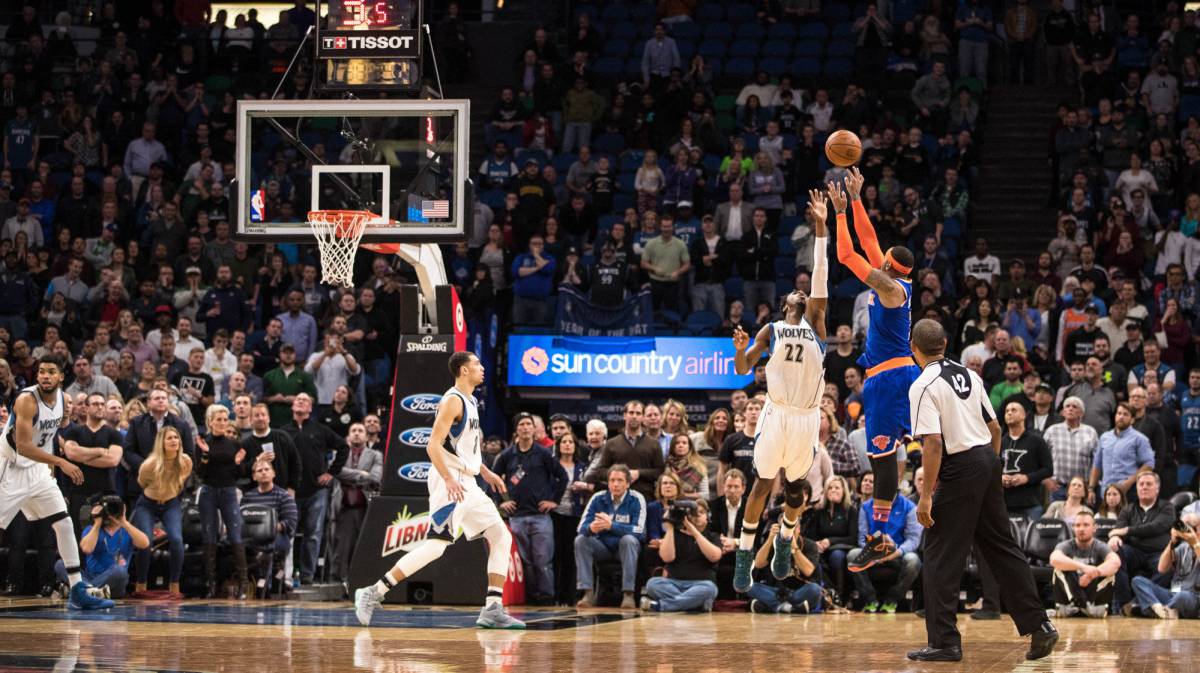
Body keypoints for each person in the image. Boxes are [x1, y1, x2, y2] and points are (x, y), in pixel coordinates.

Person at [905, 319, 1057, 662]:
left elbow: (932, 444)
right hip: (987, 460)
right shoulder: (969, 375)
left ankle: (944, 641)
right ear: (945, 344)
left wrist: (926, 494)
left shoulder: (923, 384)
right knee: (1002, 547)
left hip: (959, 467)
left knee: (940, 553)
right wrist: (991, 464)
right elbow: (995, 427)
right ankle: (1039, 625)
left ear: (913, 348)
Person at [355, 352, 523, 629]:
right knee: (436, 546)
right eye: (477, 364)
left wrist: (485, 471)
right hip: (452, 482)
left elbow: (462, 447)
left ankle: (493, 607)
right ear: (463, 370)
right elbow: (432, 445)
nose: (482, 368)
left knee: (500, 536)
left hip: (469, 481)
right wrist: (448, 479)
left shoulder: (471, 400)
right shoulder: (452, 400)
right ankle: (374, 591)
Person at [729, 187, 830, 593]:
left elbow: (821, 275)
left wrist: (822, 228)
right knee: (762, 483)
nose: (801, 290)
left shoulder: (817, 324)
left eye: (805, 290)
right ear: (785, 300)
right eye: (796, 289)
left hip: (806, 416)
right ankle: (744, 555)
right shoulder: (770, 329)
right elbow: (742, 369)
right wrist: (739, 351)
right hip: (776, 409)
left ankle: (786, 542)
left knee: (795, 489)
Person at [831, 169, 920, 572]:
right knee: (888, 456)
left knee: (882, 461)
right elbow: (868, 241)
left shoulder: (889, 288)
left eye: (882, 260)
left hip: (889, 377)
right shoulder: (898, 283)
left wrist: (838, 214)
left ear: (889, 267)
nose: (877, 257)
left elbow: (848, 255)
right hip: (895, 374)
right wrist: (856, 200)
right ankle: (880, 536)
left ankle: (879, 538)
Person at [0, 355, 112, 610]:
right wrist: (60, 462)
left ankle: (77, 590)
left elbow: (50, 435)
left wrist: (49, 466)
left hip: (38, 470)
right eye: (41, 372)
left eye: (51, 372)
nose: (45, 376)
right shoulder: (27, 401)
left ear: (61, 376)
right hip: (11, 467)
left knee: (63, 522)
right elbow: (24, 445)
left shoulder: (62, 400)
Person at [492, 412, 567, 606]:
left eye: (528, 424)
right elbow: (492, 480)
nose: (525, 427)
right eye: (522, 424)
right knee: (525, 563)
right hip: (516, 517)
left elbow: (563, 476)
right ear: (516, 430)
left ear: (534, 429)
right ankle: (530, 597)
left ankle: (547, 598)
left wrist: (554, 501)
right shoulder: (507, 455)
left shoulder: (543, 454)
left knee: (543, 561)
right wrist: (500, 502)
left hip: (540, 517)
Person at [130, 426, 193, 598]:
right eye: (170, 438)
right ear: (161, 443)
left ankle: (174, 584)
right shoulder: (149, 464)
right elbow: (142, 482)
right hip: (147, 504)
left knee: (176, 539)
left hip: (171, 503)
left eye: (176, 437)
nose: (174, 441)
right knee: (145, 542)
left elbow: (182, 480)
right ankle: (141, 584)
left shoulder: (185, 461)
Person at [574, 464, 646, 609]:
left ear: (628, 483)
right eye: (612, 480)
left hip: (625, 549)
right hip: (603, 547)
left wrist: (611, 526)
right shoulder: (597, 498)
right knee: (581, 540)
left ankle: (628, 594)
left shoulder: (637, 498)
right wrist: (591, 528)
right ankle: (587, 593)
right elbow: (581, 528)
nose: (615, 484)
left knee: (629, 540)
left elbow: (639, 531)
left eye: (620, 480)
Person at [196, 405, 248, 599]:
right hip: (209, 491)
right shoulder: (203, 442)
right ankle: (210, 584)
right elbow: (200, 473)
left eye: (225, 420)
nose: (222, 423)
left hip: (228, 492)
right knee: (209, 537)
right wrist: (205, 455)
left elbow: (241, 474)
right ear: (210, 422)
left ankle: (243, 584)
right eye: (218, 419)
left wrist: (238, 463)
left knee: (235, 536)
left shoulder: (233, 444)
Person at [55, 496, 150, 600]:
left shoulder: (127, 531)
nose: (111, 513)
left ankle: (83, 591)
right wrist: (97, 523)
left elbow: (145, 544)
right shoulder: (91, 529)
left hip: (114, 582)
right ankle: (92, 592)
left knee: (119, 571)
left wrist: (124, 523)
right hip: (89, 577)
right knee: (62, 563)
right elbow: (87, 549)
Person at [640, 498, 722, 613]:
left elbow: (715, 556)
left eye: (701, 512)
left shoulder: (713, 536)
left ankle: (661, 606)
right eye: (693, 512)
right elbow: (667, 558)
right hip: (673, 583)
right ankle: (695, 604)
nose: (697, 515)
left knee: (710, 589)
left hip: (701, 584)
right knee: (652, 584)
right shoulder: (675, 534)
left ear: (708, 516)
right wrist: (670, 526)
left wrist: (693, 531)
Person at [1109, 471, 1175, 614]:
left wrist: (1126, 531)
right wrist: (1115, 538)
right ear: (1137, 488)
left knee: (1169, 563)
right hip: (1134, 552)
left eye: (1149, 484)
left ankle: (1135, 603)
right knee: (1115, 554)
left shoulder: (1167, 507)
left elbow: (1156, 527)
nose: (1144, 487)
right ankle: (1124, 603)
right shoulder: (1128, 510)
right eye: (1141, 484)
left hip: (1159, 553)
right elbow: (1117, 531)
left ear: (1157, 488)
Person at [242, 457, 299, 598]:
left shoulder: (284, 496)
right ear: (254, 476)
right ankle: (242, 585)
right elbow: (241, 519)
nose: (263, 472)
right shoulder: (248, 497)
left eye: (267, 469)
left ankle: (264, 585)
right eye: (259, 471)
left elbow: (290, 522)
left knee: (268, 546)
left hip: (275, 537)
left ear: (273, 473)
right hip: (251, 537)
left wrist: (271, 528)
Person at [332, 423, 381, 584]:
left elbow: (375, 477)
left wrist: (349, 477)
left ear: (366, 437)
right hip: (344, 507)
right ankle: (341, 580)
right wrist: (361, 474)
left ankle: (363, 580)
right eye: (353, 431)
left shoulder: (375, 455)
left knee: (364, 547)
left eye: (360, 431)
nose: (357, 434)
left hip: (366, 507)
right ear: (348, 436)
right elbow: (337, 471)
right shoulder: (339, 454)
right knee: (343, 548)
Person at [1048, 510, 1120, 618]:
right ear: (1073, 528)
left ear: (1094, 528)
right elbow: (1054, 559)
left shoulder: (1100, 546)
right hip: (1071, 594)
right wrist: (1084, 567)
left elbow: (1116, 562)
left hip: (1092, 595)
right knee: (1058, 568)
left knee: (1110, 571)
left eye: (1086, 525)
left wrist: (1092, 574)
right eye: (1077, 525)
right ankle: (1080, 605)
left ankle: (1083, 606)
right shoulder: (1066, 545)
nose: (1081, 529)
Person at [1129, 512, 1200, 619]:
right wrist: (1171, 543)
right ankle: (1160, 609)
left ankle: (1152, 609)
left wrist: (1195, 543)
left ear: (1198, 528)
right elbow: (1161, 568)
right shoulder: (1183, 548)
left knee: (1182, 596)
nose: (1184, 529)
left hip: (1192, 598)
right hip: (1173, 594)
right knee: (1138, 581)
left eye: (1188, 525)